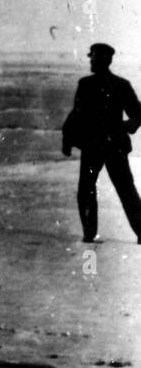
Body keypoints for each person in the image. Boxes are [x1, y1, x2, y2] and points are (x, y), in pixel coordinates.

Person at [62, 43, 141, 243]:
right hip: (104, 145)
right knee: (121, 190)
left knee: (107, 189)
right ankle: (91, 234)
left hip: (100, 145)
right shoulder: (113, 84)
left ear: (103, 60)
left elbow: (137, 115)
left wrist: (123, 127)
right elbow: (76, 115)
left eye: (94, 58)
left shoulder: (93, 84)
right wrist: (67, 138)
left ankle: (91, 233)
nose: (91, 60)